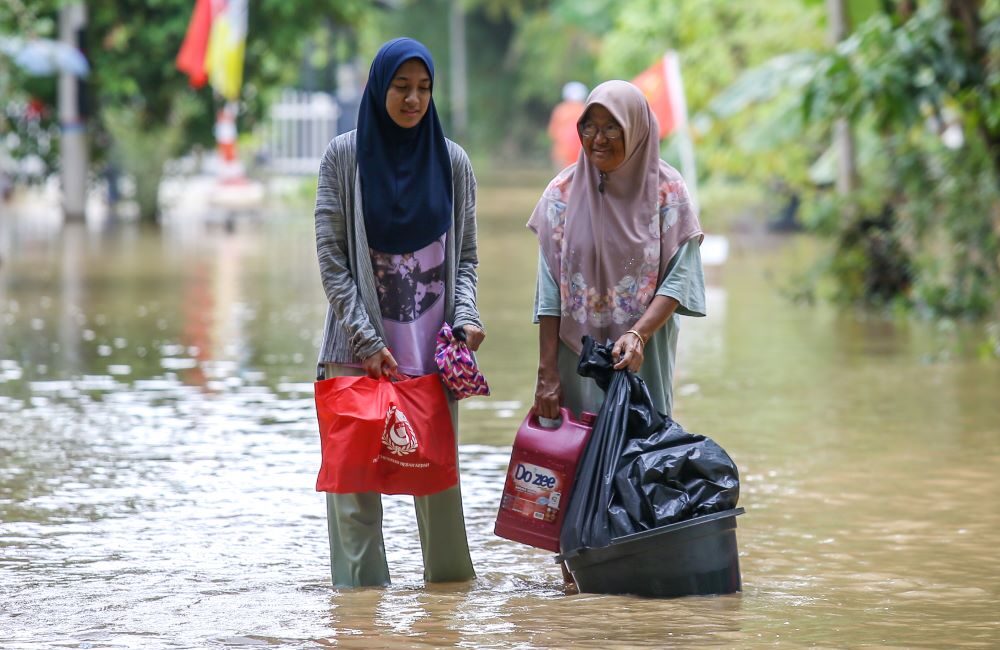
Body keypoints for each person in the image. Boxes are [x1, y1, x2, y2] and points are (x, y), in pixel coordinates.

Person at [313, 37, 485, 588]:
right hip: (357, 356)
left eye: (424, 89)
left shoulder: (453, 163)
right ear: (377, 87)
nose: (413, 100)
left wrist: (465, 316)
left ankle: (448, 617)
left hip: (431, 358)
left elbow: (467, 260)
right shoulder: (344, 156)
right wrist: (366, 341)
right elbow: (331, 258)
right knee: (354, 504)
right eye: (402, 88)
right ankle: (362, 626)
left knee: (440, 500)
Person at [528, 78, 706, 454]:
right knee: (574, 465)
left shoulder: (668, 191)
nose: (598, 138)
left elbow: (679, 279)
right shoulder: (560, 194)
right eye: (589, 126)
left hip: (642, 355)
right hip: (574, 358)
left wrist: (638, 334)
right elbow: (548, 291)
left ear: (635, 130)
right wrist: (547, 371)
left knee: (640, 462)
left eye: (612, 127)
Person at [547, 81, 588, 170]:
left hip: (564, 156)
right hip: (579, 157)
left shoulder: (560, 110)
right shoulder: (586, 110)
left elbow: (552, 133)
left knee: (562, 181)